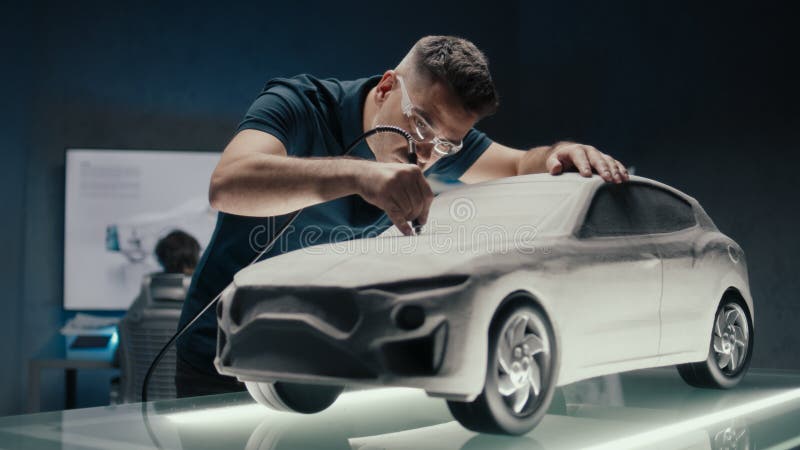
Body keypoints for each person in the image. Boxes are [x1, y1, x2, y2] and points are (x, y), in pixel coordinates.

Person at [175, 35, 629, 397]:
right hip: (223, 354)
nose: (428, 153)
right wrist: (361, 175)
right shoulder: (298, 103)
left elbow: (517, 163)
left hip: (328, 360)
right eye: (423, 124)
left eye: (447, 144)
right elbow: (229, 185)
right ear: (388, 86)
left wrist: (559, 152)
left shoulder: (436, 144)